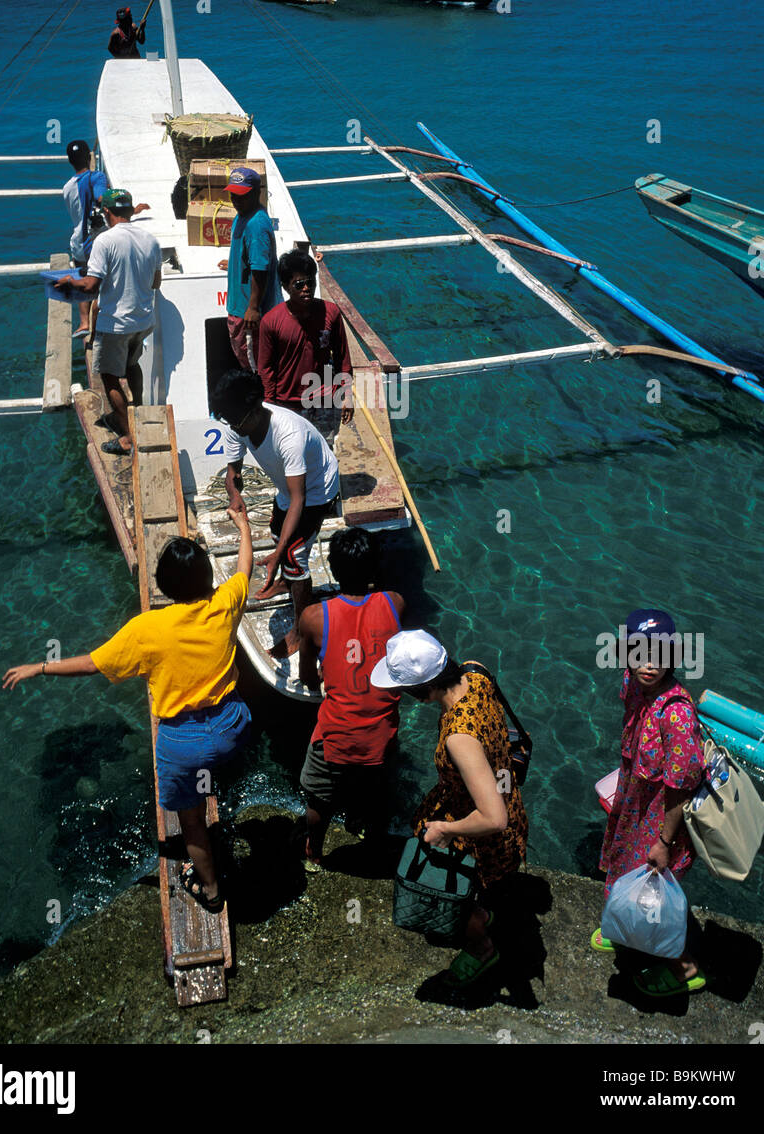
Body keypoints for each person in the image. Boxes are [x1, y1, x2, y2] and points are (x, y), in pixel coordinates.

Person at [3, 516, 253, 912]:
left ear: (164, 586)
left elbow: (93, 664)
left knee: (191, 823)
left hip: (183, 744)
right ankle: (213, 781)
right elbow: (244, 568)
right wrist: (242, 527)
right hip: (232, 726)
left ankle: (210, 891)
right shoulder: (224, 604)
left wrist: (41, 667)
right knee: (213, 760)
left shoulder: (146, 630)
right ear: (207, 579)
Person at [373, 630, 528, 987]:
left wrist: (444, 829)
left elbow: (492, 817)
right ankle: (483, 913)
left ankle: (482, 946)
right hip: (508, 799)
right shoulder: (476, 675)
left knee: (455, 895)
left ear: (420, 689)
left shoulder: (460, 737)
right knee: (477, 894)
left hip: (479, 836)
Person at [594, 608, 707, 997]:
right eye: (639, 652)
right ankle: (624, 926)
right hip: (636, 806)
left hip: (661, 817)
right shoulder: (634, 683)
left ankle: (683, 968)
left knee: (653, 886)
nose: (648, 664)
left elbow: (680, 786)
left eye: (658, 655)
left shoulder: (675, 714)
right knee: (628, 874)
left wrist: (663, 840)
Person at [211, 368, 339, 658]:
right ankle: (285, 581)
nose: (233, 427)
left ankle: (300, 629)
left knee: (294, 554)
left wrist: (279, 553)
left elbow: (299, 499)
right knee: (275, 531)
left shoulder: (289, 435)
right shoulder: (237, 422)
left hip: (317, 489)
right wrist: (235, 495)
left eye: (237, 421)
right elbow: (234, 472)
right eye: (228, 420)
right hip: (286, 488)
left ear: (257, 406)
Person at [296, 527, 404, 867]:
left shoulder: (314, 617)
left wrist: (325, 677)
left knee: (318, 800)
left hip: (338, 737)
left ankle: (314, 850)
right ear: (373, 567)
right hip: (381, 734)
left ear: (333, 569)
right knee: (371, 786)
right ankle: (361, 825)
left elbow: (307, 677)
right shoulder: (395, 603)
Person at [56, 188, 161, 455]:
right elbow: (156, 282)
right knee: (133, 364)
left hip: (116, 324)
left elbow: (91, 286)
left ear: (107, 212)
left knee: (110, 378)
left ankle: (127, 436)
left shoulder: (105, 241)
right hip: (144, 320)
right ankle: (134, 410)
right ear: (130, 210)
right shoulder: (151, 240)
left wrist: (70, 282)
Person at [257, 249, 353, 438]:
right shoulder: (270, 322)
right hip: (288, 405)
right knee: (294, 460)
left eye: (310, 282)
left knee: (326, 453)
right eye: (299, 284)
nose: (306, 288)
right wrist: (270, 406)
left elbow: (342, 358)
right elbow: (266, 369)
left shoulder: (331, 313)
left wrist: (347, 395)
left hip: (325, 401)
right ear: (285, 286)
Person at [217, 166, 282, 371]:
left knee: (254, 365)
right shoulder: (243, 214)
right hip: (240, 307)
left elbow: (260, 269)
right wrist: (236, 262)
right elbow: (252, 256)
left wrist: (253, 308)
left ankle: (261, 399)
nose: (236, 200)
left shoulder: (256, 224)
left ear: (256, 192)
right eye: (233, 195)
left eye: (242, 195)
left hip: (248, 313)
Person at [62, 139, 107, 337]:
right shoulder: (96, 177)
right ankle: (98, 327)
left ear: (70, 161)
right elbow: (101, 198)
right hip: (94, 239)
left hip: (78, 241)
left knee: (82, 278)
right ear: (89, 157)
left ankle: (83, 323)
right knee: (100, 283)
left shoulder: (67, 187)